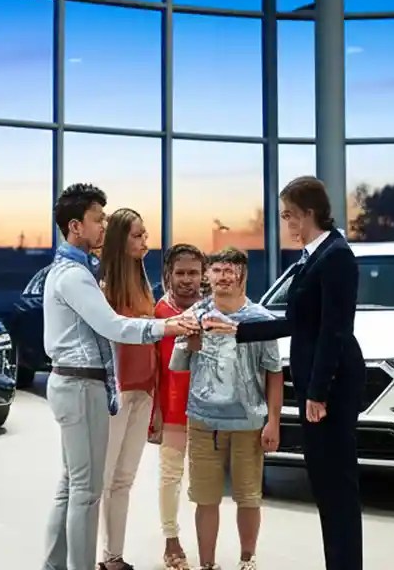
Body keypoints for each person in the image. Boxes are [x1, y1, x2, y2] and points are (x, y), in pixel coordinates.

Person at [199, 176, 365, 570]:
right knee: (325, 487)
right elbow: (296, 321)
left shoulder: (336, 256)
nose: (286, 223)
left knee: (337, 489)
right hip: (317, 382)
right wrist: (237, 328)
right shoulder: (314, 256)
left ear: (309, 213)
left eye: (289, 215)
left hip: (333, 386)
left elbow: (335, 329)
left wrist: (318, 392)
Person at [42, 183, 194, 570]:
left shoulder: (78, 272)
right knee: (87, 491)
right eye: (98, 220)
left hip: (82, 384)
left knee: (73, 486)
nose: (103, 227)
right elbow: (114, 326)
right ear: (76, 226)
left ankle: (55, 565)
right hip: (80, 384)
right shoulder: (75, 277)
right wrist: (166, 327)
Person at [170, 247, 282, 570]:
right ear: (208, 275)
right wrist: (192, 339)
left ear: (243, 275)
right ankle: (207, 564)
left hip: (249, 421)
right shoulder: (194, 315)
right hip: (204, 421)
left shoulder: (261, 320)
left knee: (249, 496)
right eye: (217, 270)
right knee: (205, 498)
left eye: (229, 271)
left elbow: (274, 372)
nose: (223, 277)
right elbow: (178, 365)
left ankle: (248, 559)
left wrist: (273, 421)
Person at [96, 208, 159, 570]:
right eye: (138, 236)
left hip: (144, 390)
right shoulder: (103, 287)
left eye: (145, 234)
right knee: (103, 479)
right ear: (121, 239)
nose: (145, 242)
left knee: (124, 479)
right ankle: (90, 554)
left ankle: (113, 557)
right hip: (116, 393)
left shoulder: (143, 281)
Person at [151, 243, 207, 570]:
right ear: (168, 275)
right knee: (170, 476)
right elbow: (154, 368)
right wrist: (155, 412)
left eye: (194, 273)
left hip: (206, 410)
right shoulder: (158, 313)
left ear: (203, 275)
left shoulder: (213, 311)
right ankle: (171, 541)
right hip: (172, 408)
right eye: (180, 273)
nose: (187, 279)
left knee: (204, 480)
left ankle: (206, 545)